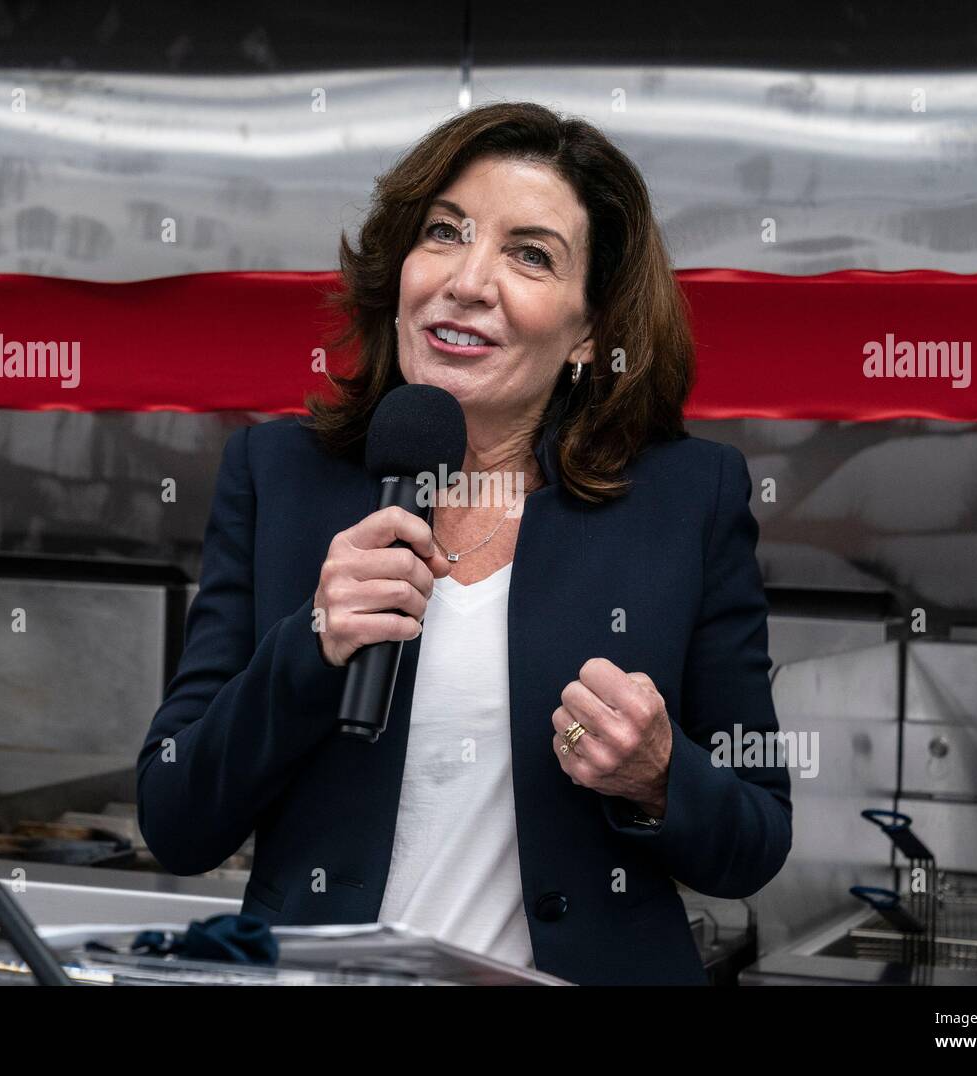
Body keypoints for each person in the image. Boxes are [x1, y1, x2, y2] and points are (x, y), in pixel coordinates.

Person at [136, 101, 792, 986]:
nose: (468, 280)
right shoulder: (279, 474)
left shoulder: (684, 500)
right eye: (444, 233)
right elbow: (176, 818)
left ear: (589, 332)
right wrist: (312, 644)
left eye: (530, 255)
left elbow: (755, 837)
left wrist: (657, 774)